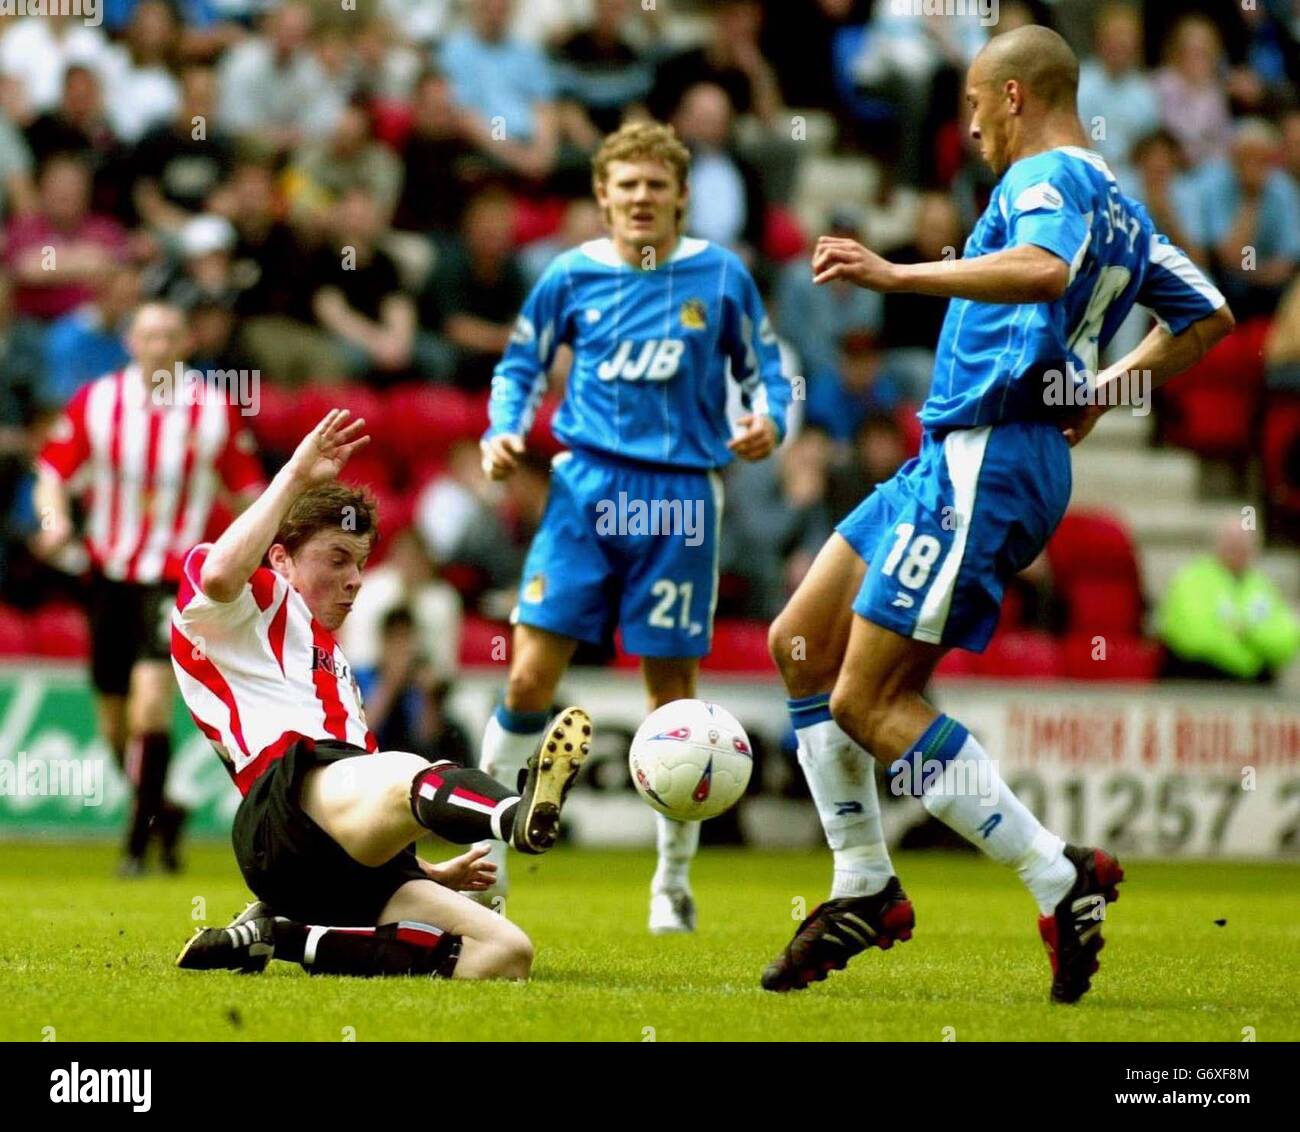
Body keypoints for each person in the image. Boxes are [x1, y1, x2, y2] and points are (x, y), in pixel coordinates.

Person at [761, 25, 1235, 1002]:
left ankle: (1054, 875)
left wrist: (897, 275)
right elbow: (1209, 316)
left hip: (989, 454)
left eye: (975, 106)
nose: (969, 127)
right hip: (961, 454)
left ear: (1014, 95)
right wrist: (1108, 387)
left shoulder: (1042, 183)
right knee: (799, 642)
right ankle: (862, 882)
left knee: (868, 701)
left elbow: (1042, 270)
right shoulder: (1126, 211)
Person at [478, 120, 790, 933]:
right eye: (628, 186)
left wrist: (770, 423)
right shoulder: (569, 276)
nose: (643, 198)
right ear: (602, 197)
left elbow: (768, 370)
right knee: (526, 680)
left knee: (671, 704)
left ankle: (671, 882)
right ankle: (484, 861)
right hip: (584, 492)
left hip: (680, 501)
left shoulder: (722, 277)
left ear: (682, 194)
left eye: (657, 184)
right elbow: (518, 364)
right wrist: (504, 428)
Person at [172, 410, 590, 980]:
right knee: (404, 769)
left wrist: (421, 868)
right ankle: (517, 813)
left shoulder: (334, 662)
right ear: (281, 558)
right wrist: (295, 476)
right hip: (283, 817)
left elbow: (360, 800)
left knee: (505, 953)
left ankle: (282, 936)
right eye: (337, 559)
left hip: (335, 858)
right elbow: (220, 573)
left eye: (362, 563)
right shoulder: (249, 602)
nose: (355, 579)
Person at [32, 302, 267, 875]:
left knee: (150, 706)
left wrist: (267, 542)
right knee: (114, 725)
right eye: (148, 335)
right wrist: (52, 522)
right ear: (130, 342)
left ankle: (135, 849)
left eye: (169, 334)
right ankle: (162, 810)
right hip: (108, 576)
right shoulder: (98, 402)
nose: (159, 345)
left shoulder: (213, 409)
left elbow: (248, 491)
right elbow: (52, 472)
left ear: (184, 342)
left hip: (172, 577)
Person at [1157, 517, 1300, 683]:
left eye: (1244, 544)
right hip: (1201, 678)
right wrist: (1247, 658)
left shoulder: (1262, 586)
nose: (1238, 549)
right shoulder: (1192, 579)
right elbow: (1193, 637)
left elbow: (1285, 640)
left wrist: (1243, 631)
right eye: (1232, 542)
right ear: (1217, 544)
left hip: (1253, 684)